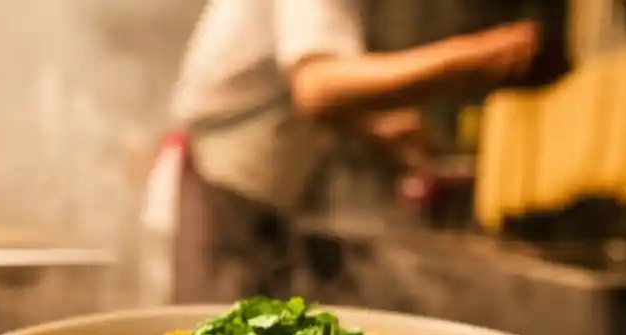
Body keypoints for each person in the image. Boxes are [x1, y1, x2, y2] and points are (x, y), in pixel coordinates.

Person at [149, 0, 541, 303]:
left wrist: (379, 130)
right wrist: (489, 54)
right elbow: (317, 89)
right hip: (222, 189)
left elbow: (284, 89)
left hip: (247, 194)